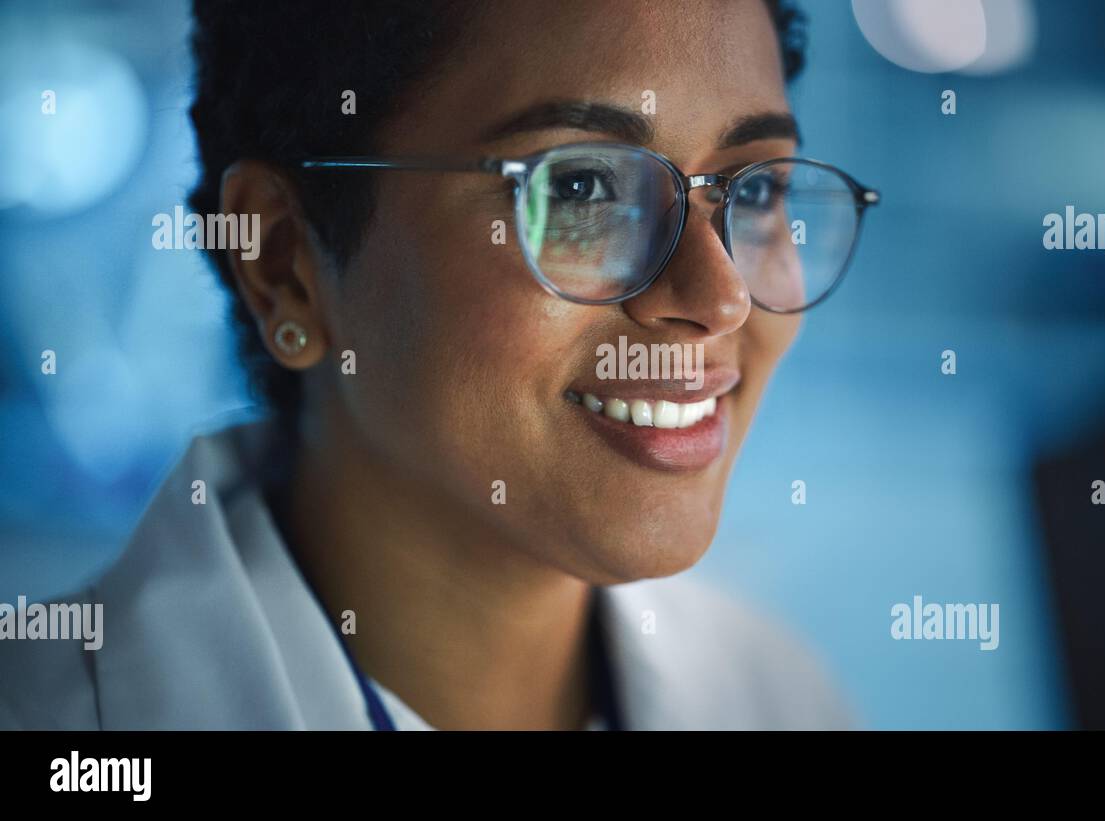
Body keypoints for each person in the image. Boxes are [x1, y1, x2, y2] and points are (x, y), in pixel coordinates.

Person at [0, 0, 877, 730]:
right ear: (284, 263)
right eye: (580, 187)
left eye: (755, 188)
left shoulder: (782, 699)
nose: (721, 296)